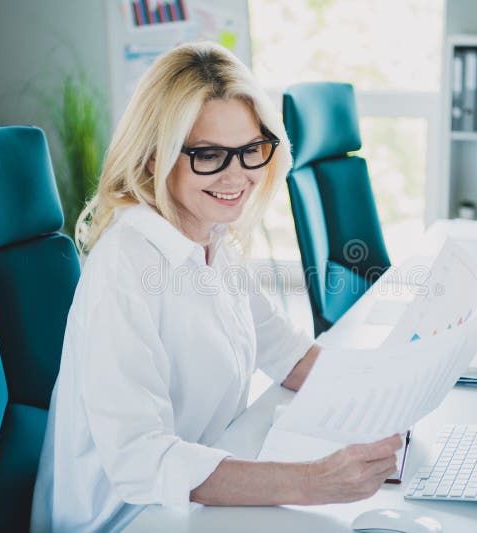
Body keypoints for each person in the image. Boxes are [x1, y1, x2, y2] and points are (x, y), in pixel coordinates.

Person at [30, 41, 402, 532]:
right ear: (151, 159)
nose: (238, 175)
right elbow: (143, 459)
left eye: (251, 150)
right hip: (127, 518)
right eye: (208, 154)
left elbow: (289, 357)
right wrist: (313, 482)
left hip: (196, 502)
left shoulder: (212, 241)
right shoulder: (124, 267)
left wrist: (393, 394)